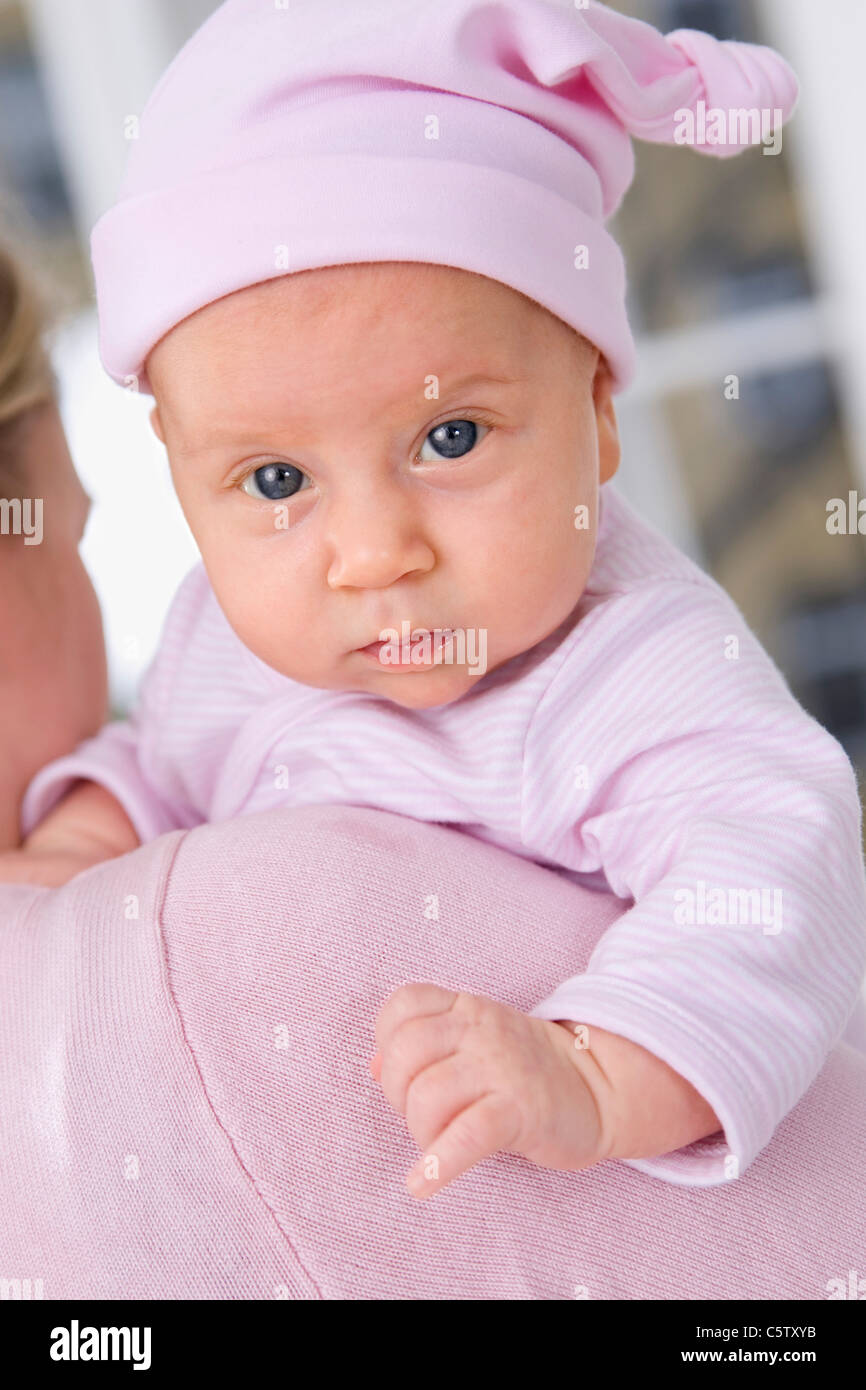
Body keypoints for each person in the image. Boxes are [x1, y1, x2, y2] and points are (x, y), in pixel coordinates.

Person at [4, 0, 866, 1202]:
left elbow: (776, 869)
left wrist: (593, 1073)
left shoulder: (625, 668)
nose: (371, 553)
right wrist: (92, 836)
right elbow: (173, 765)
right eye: (275, 481)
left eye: (448, 436)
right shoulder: (229, 642)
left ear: (597, 410)